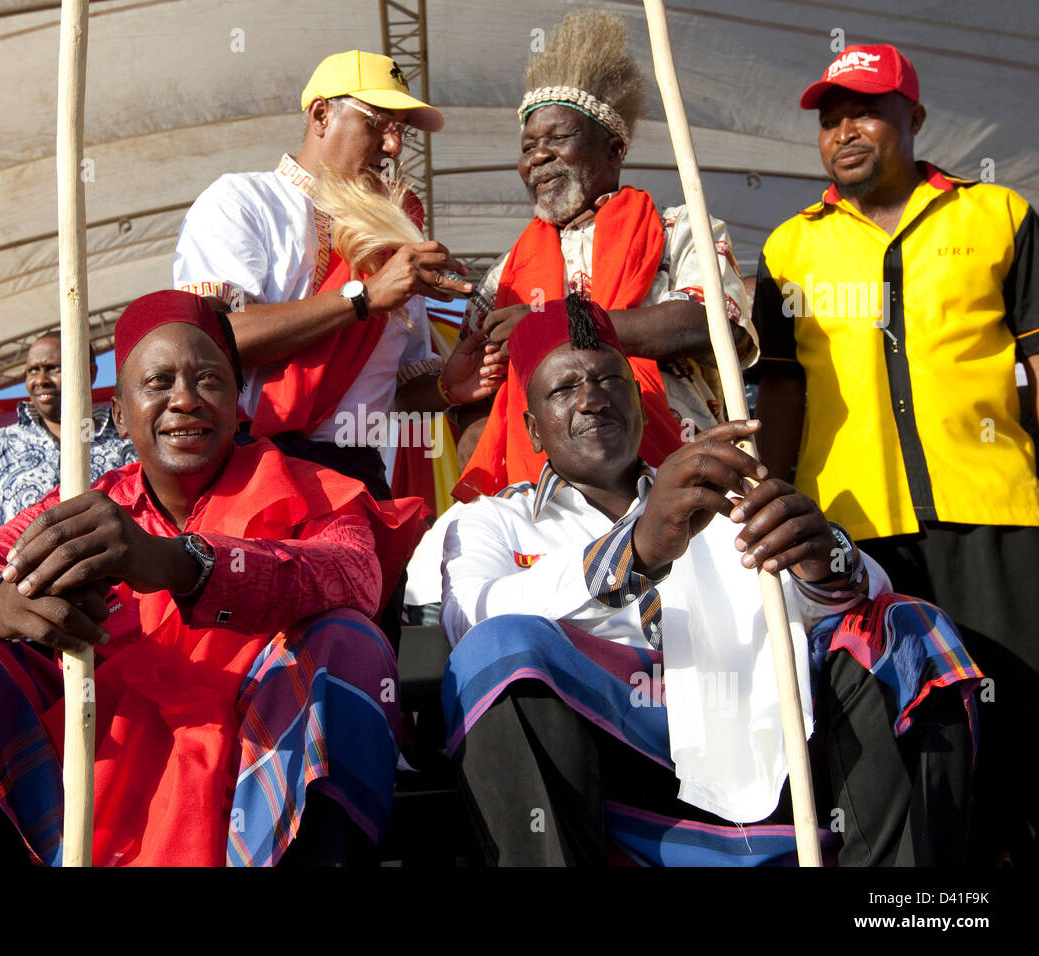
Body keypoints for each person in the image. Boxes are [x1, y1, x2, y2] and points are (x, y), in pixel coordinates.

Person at [0, 291, 425, 866]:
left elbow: (355, 574)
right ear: (118, 415)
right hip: (86, 770)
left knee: (350, 644)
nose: (184, 399)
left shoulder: (314, 489)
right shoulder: (82, 511)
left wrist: (180, 563)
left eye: (208, 379)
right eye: (158, 382)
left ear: (238, 402)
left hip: (256, 758)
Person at [440, 294, 980, 866]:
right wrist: (636, 548)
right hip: (608, 772)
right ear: (533, 429)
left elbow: (835, 607)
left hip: (755, 749)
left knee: (905, 625)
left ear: (642, 407)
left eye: (608, 380)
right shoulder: (490, 521)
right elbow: (476, 617)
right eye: (564, 389)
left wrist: (827, 562)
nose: (592, 399)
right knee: (497, 649)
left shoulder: (720, 492)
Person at [751, 44, 1039, 864]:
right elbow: (781, 393)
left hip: (997, 518)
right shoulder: (788, 250)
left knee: (1017, 724)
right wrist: (770, 501)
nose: (844, 131)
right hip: (853, 536)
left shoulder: (1000, 217)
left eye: (865, 111)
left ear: (914, 117)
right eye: (829, 119)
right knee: (903, 744)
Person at [173, 50, 496, 645]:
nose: (394, 149)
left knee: (358, 665)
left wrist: (453, 385)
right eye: (378, 124)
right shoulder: (242, 201)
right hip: (252, 475)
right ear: (321, 115)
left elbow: (401, 392)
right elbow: (212, 345)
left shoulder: (395, 238)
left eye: (401, 133)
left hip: (356, 483)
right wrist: (364, 297)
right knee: (251, 671)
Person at [454, 10, 756, 501]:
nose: (537, 157)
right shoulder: (505, 273)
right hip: (542, 499)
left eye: (557, 139)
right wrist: (480, 449)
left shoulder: (681, 228)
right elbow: (474, 382)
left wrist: (555, 326)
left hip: (681, 475)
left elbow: (705, 322)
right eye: (528, 146)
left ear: (614, 150)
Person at [0, 332, 136, 546]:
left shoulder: (126, 444)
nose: (40, 381)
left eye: (54, 369)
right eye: (33, 371)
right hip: (14, 578)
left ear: (90, 372)